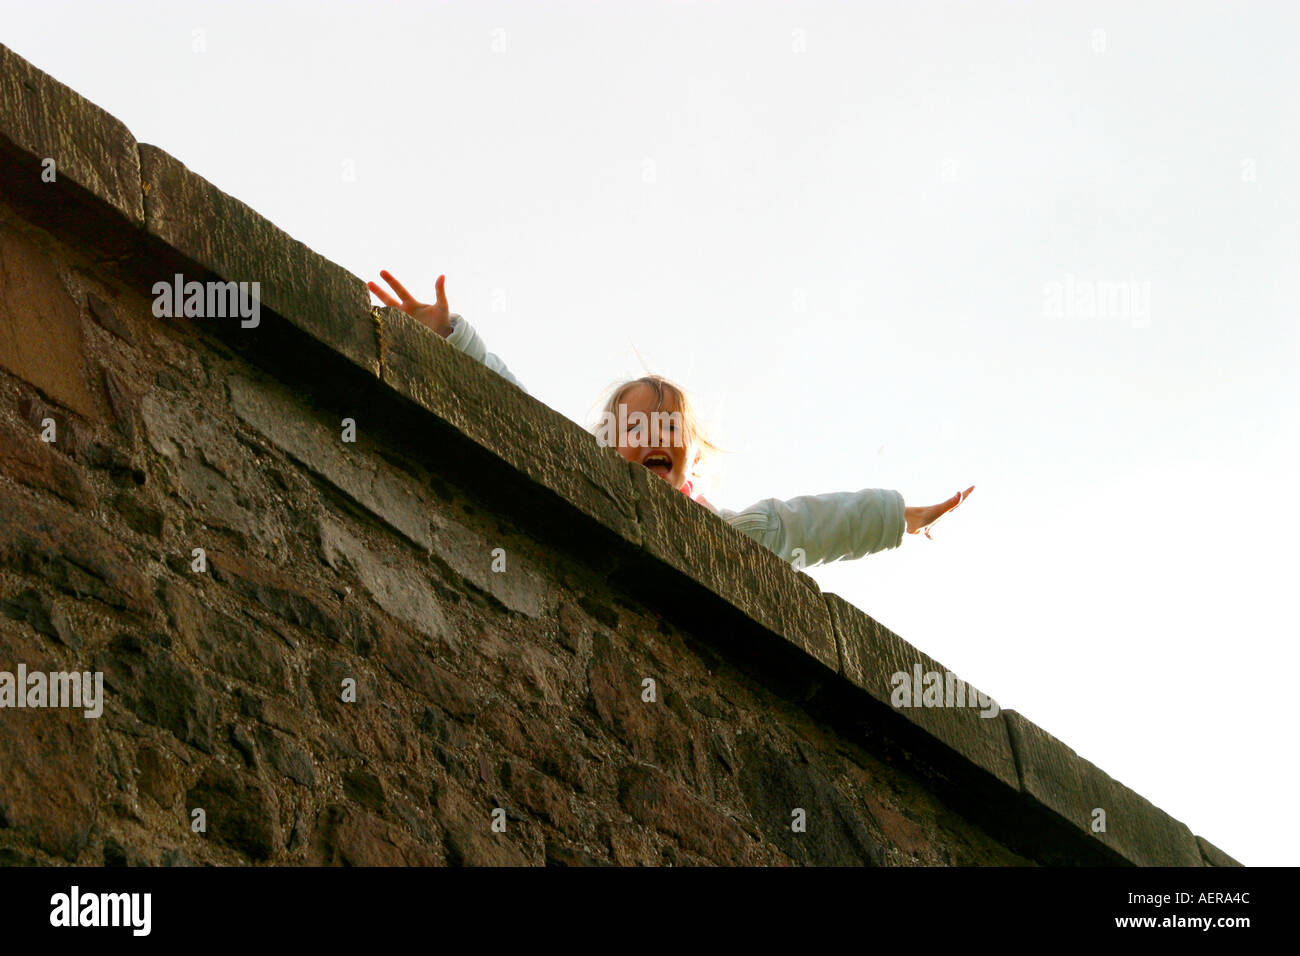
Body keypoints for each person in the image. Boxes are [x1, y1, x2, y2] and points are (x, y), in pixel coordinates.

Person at [367, 271, 973, 569]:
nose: (654, 437)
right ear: (604, 445)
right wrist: (451, 336)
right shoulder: (576, 471)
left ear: (692, 455)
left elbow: (804, 525)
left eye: (668, 430)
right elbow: (512, 405)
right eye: (635, 429)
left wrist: (897, 516)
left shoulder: (720, 534)